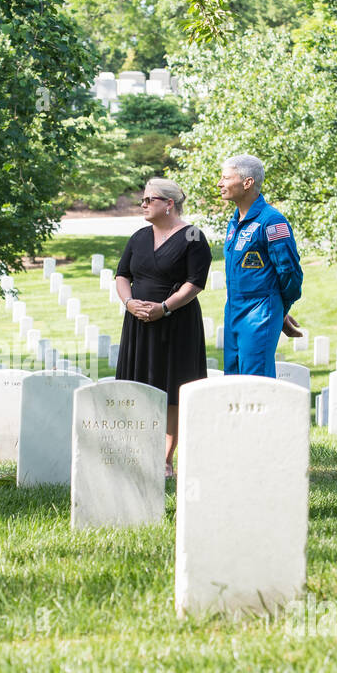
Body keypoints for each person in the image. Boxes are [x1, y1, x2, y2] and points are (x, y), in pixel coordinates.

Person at [114, 177, 210, 478]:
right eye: (142, 200)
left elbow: (195, 283)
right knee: (138, 384)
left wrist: (165, 308)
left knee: (172, 390)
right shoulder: (139, 236)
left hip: (176, 322)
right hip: (139, 323)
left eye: (149, 200)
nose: (142, 205)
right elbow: (122, 275)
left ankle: (165, 459)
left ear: (169, 203)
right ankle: (137, 450)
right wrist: (130, 303)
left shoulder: (193, 235)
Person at [217, 154, 302, 377]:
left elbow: (290, 273)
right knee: (232, 381)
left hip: (259, 311)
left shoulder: (272, 221)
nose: (220, 183)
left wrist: (278, 310)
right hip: (233, 309)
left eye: (226, 178)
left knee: (255, 385)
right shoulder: (234, 222)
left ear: (247, 183)